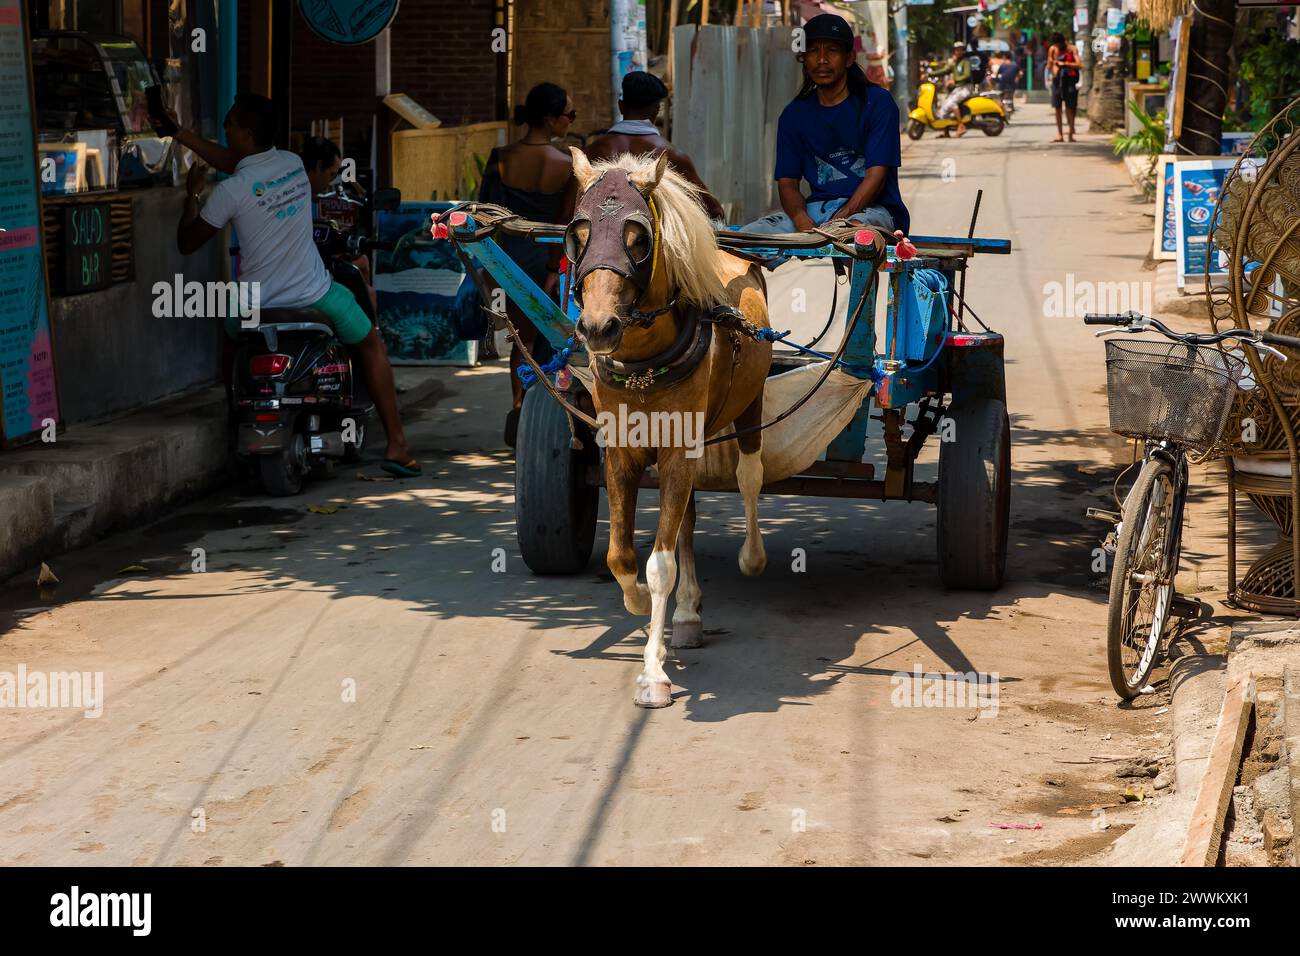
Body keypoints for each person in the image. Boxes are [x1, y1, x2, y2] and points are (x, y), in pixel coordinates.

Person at [165, 93, 419, 477]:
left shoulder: (229, 192)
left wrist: (192, 196)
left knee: (232, 337)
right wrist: (180, 133)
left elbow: (187, 242)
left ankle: (236, 413)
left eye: (229, 123)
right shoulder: (293, 164)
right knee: (370, 343)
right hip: (315, 295)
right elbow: (238, 162)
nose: (224, 127)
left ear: (246, 134)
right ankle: (398, 445)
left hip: (252, 304)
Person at [742, 12, 909, 238]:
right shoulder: (794, 115)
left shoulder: (878, 104)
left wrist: (842, 219)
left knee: (858, 236)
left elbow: (876, 176)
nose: (821, 59)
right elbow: (788, 183)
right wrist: (802, 221)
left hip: (873, 211)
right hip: (817, 211)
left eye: (832, 50)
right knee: (746, 239)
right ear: (804, 58)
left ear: (849, 58)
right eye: (813, 50)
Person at [477, 82, 577, 447]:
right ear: (550, 119)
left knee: (521, 338)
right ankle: (550, 414)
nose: (571, 121)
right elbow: (570, 221)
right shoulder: (567, 165)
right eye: (569, 114)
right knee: (555, 338)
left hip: (509, 257)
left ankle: (519, 409)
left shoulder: (501, 157)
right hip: (552, 258)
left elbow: (483, 211)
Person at [583, 71, 725, 221]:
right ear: (657, 109)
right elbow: (715, 212)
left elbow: (569, 212)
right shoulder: (673, 157)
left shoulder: (590, 153)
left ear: (621, 106)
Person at [299, 135, 377, 313]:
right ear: (319, 166)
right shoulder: (301, 196)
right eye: (331, 174)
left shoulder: (299, 192)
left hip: (293, 280)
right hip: (305, 286)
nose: (330, 181)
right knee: (373, 341)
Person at [930, 42, 975, 138]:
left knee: (952, 103)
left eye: (960, 50)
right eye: (956, 50)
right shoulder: (955, 62)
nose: (958, 52)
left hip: (966, 87)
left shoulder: (966, 61)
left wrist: (954, 80)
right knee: (943, 108)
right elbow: (944, 71)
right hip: (958, 89)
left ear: (963, 51)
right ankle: (946, 131)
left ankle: (961, 126)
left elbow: (966, 75)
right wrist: (930, 74)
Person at [1048, 32, 1081, 143]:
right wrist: (1053, 65)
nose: (1057, 47)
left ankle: (1071, 133)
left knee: (1070, 107)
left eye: (1059, 44)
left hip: (1070, 80)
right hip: (1057, 81)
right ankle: (1060, 134)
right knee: (1057, 108)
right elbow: (1049, 65)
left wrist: (1065, 64)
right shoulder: (1052, 49)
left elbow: (1079, 64)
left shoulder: (1072, 49)